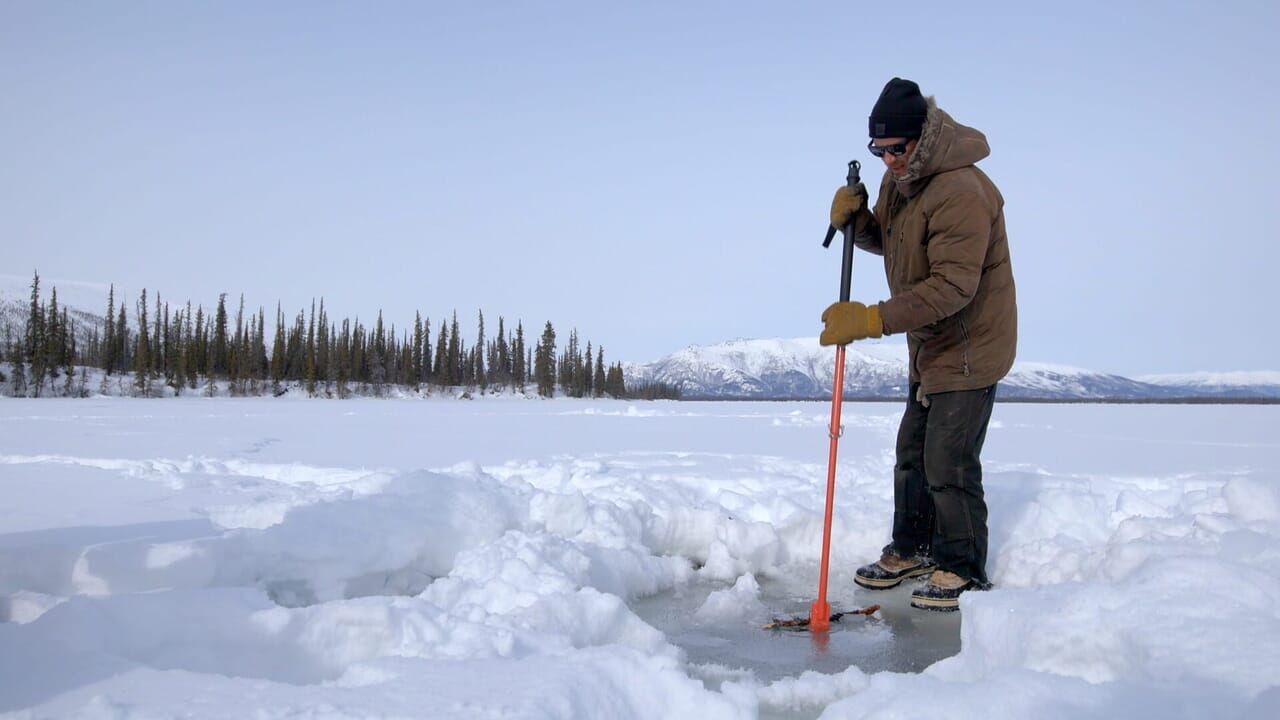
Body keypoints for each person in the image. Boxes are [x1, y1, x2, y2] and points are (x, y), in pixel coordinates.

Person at [821, 77, 1017, 611]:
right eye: (877, 150)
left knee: (948, 461)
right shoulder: (901, 182)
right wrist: (856, 222)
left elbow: (954, 285)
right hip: (929, 344)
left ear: (921, 138)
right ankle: (913, 548)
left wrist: (871, 318)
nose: (887, 160)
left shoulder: (961, 191)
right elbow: (895, 244)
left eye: (896, 149)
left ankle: (963, 567)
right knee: (912, 453)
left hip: (970, 343)